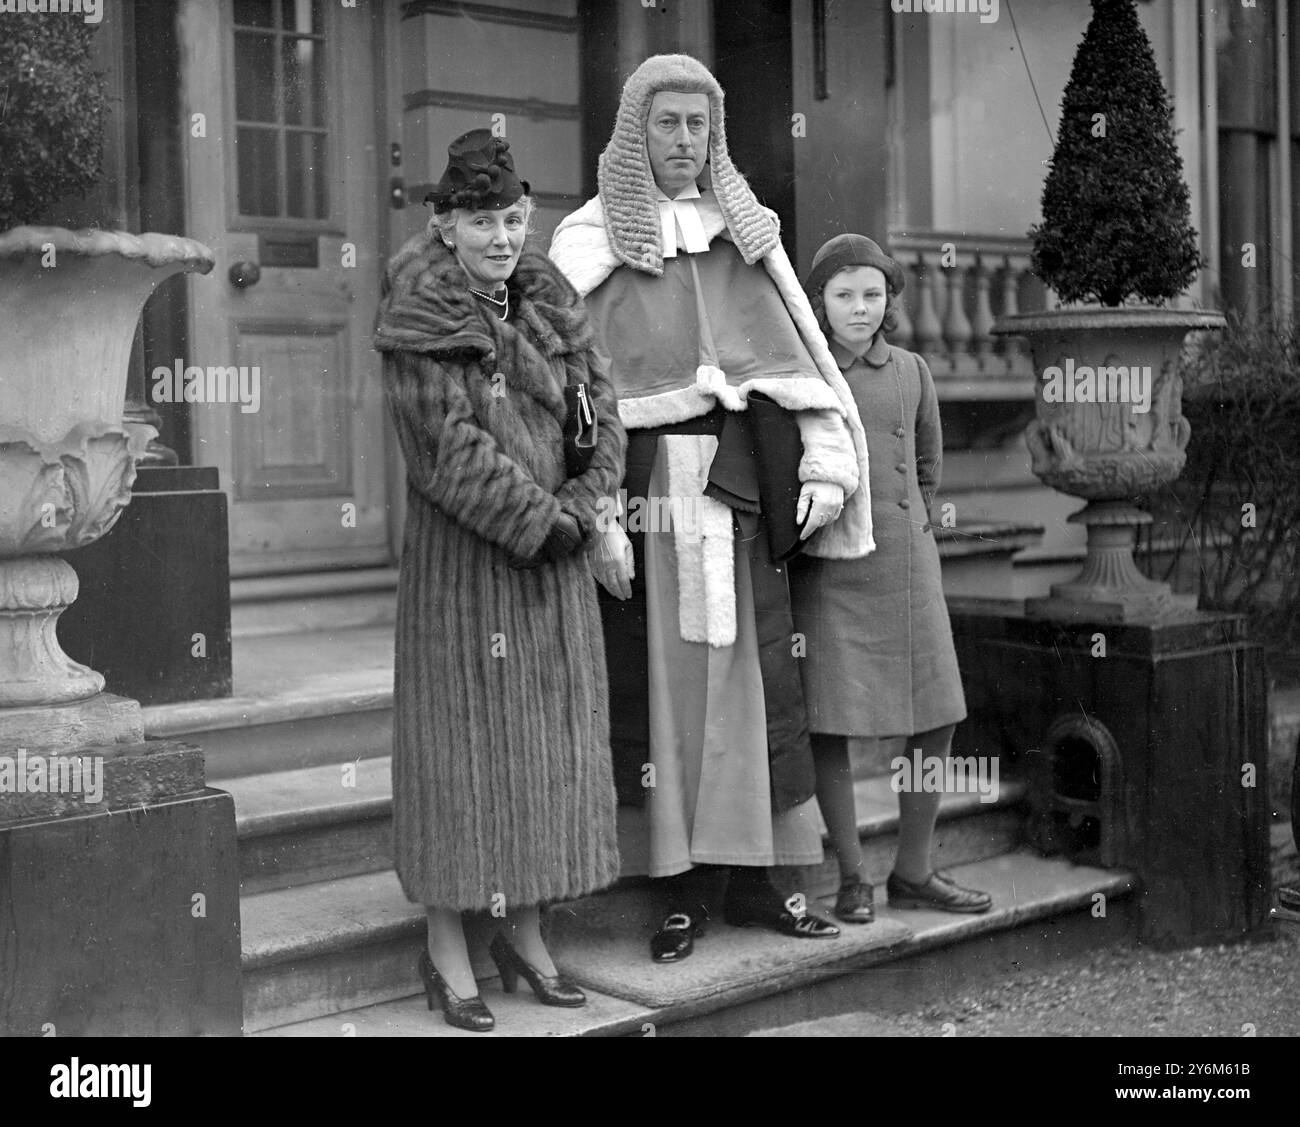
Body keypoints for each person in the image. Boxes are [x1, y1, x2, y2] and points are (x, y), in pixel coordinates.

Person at [549, 54, 875, 963]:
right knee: (672, 698)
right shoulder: (587, 243)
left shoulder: (747, 235)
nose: (685, 142)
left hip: (746, 494)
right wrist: (599, 515)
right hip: (647, 492)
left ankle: (767, 882)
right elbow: (568, 395)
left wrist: (826, 467)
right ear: (634, 132)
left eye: (699, 124)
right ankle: (681, 893)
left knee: (758, 689)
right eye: (667, 124)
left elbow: (803, 368)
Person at [373, 129, 629, 1030]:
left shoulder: (551, 304)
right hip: (468, 568)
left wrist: (590, 498)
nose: (501, 236)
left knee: (546, 751)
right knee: (462, 754)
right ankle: (447, 949)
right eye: (481, 219)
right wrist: (546, 521)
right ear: (445, 224)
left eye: (513, 218)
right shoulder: (422, 316)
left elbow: (603, 412)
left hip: (552, 569)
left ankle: (526, 931)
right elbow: (445, 451)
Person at [790, 234, 992, 923]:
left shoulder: (911, 371)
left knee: (937, 715)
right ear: (819, 301)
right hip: (832, 572)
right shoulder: (805, 374)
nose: (859, 308)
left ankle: (913, 867)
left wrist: (915, 530)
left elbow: (927, 467)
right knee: (831, 723)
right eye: (844, 295)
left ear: (889, 300)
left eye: (872, 294)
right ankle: (852, 876)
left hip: (908, 565)